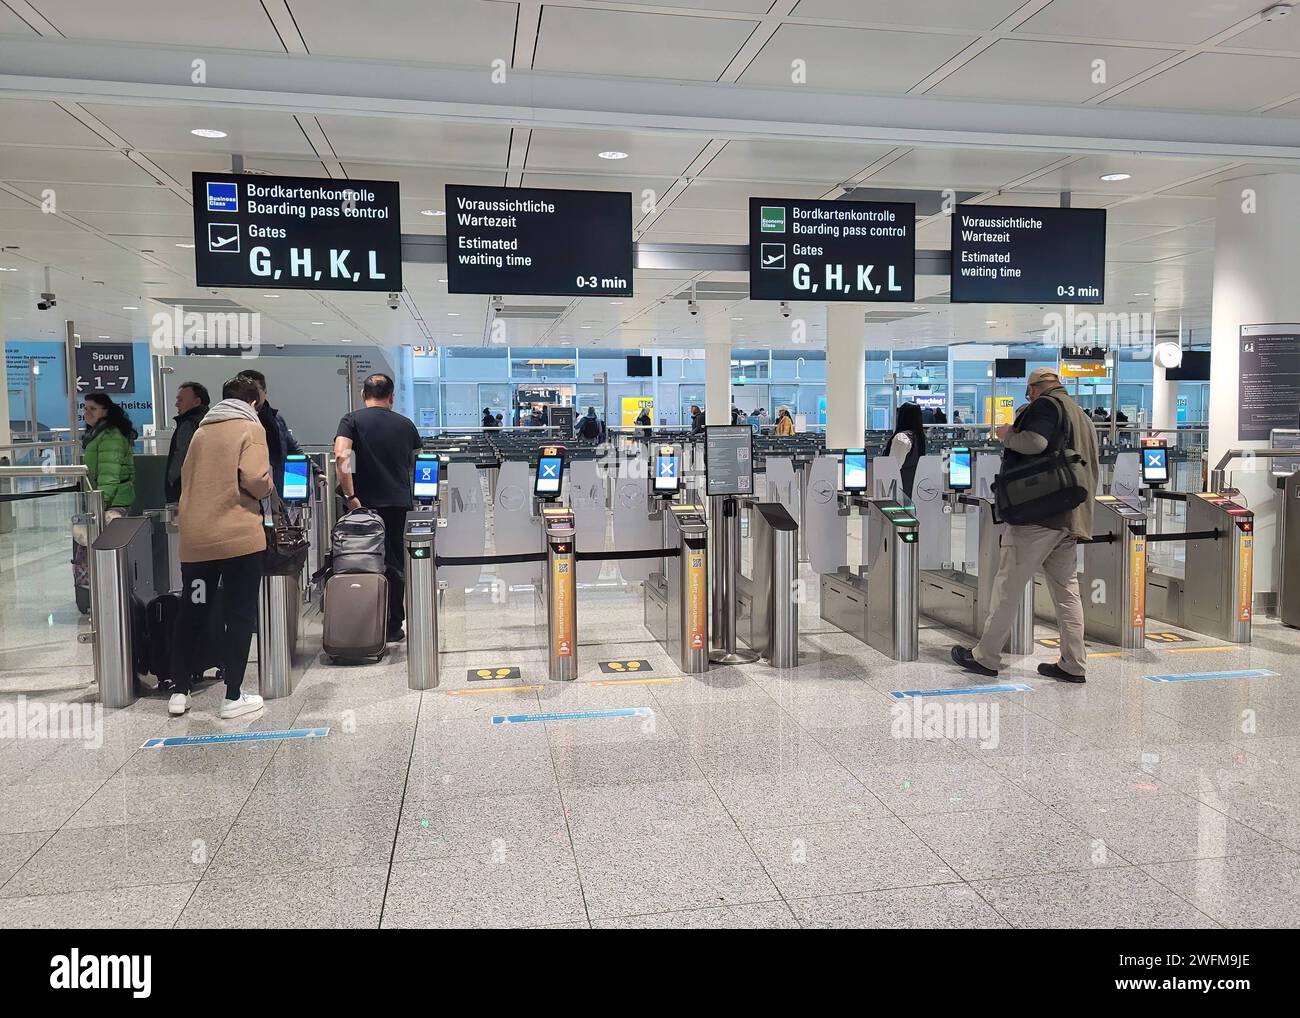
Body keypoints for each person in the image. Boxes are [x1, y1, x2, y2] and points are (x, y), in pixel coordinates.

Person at [951, 368, 1099, 684]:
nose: (1028, 396)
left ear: (1039, 387)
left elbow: (1035, 442)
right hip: (1068, 515)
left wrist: (1008, 435)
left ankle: (986, 657)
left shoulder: (1046, 406)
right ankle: (1074, 663)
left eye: (1029, 390)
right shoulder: (1080, 415)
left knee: (1008, 585)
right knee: (1067, 591)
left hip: (1040, 513)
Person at [168, 375, 273, 718]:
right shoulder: (250, 427)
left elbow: (185, 477)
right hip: (239, 539)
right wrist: (267, 487)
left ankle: (180, 690)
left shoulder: (202, 430)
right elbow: (256, 479)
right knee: (239, 614)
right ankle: (233, 695)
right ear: (253, 402)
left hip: (198, 543)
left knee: (193, 609)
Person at [334, 373, 423, 642]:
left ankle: (362, 621)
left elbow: (341, 455)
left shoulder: (351, 420)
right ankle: (394, 624)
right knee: (394, 563)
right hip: (397, 502)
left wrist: (350, 495)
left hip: (363, 505)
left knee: (360, 559)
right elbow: (417, 463)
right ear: (392, 397)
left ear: (364, 395)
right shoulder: (406, 425)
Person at [237, 369, 303, 497]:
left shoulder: (276, 419)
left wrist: (315, 472)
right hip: (247, 493)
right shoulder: (237, 420)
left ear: (265, 392)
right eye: (246, 391)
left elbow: (293, 449)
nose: (251, 396)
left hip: (276, 488)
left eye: (255, 391)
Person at [82, 392, 137, 514]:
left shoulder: (110, 436)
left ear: (106, 411)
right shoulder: (99, 434)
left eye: (93, 409)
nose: (87, 412)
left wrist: (101, 502)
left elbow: (109, 474)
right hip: (111, 500)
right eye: (85, 408)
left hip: (112, 503)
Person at [165, 381, 209, 503]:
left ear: (196, 402)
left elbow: (181, 455)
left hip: (185, 490)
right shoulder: (210, 422)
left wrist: (172, 481)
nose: (176, 404)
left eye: (181, 400)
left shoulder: (188, 424)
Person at [885, 402, 926, 498]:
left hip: (899, 491)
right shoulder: (918, 437)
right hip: (913, 490)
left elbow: (893, 467)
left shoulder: (902, 438)